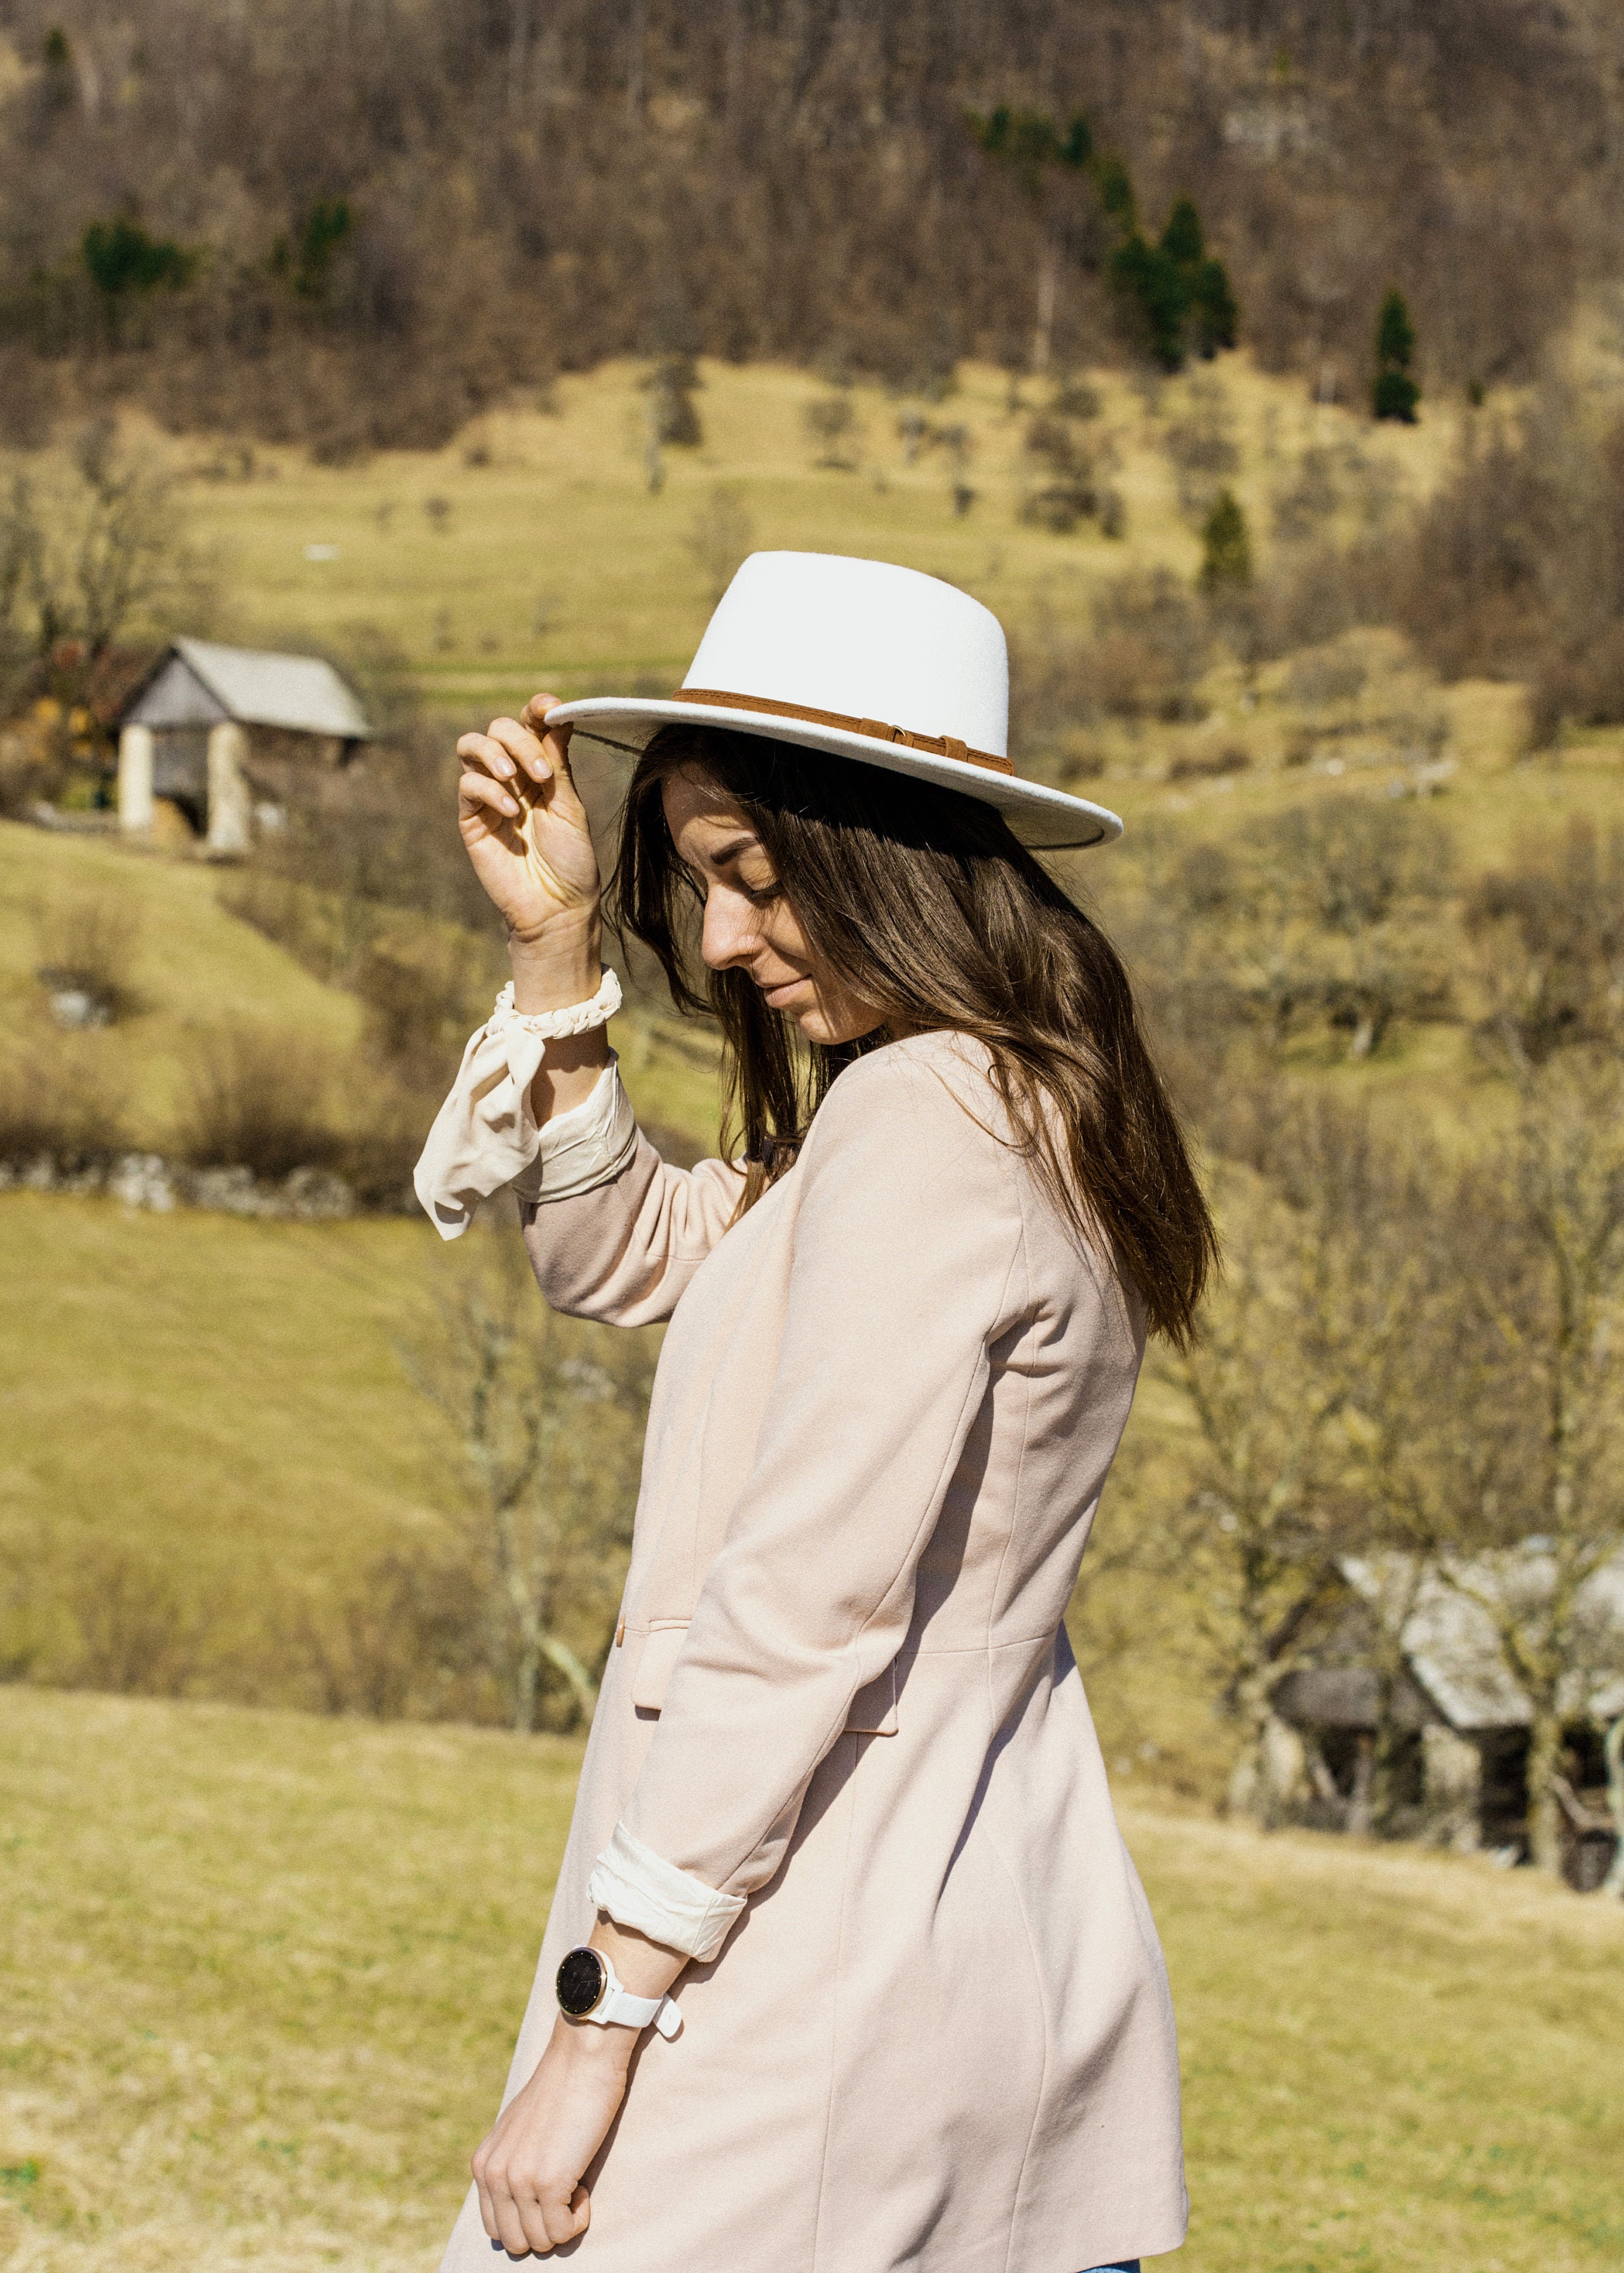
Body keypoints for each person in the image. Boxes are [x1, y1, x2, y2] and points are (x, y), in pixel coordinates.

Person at [415, 553, 1216, 2271]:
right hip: (953, 1951)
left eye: (754, 877)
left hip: (813, 1987)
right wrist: (556, 954)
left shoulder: (931, 1121)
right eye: (697, 884)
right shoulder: (991, 1101)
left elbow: (798, 1609)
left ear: (883, 858)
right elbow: (629, 1255)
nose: (714, 939)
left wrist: (595, 2024)